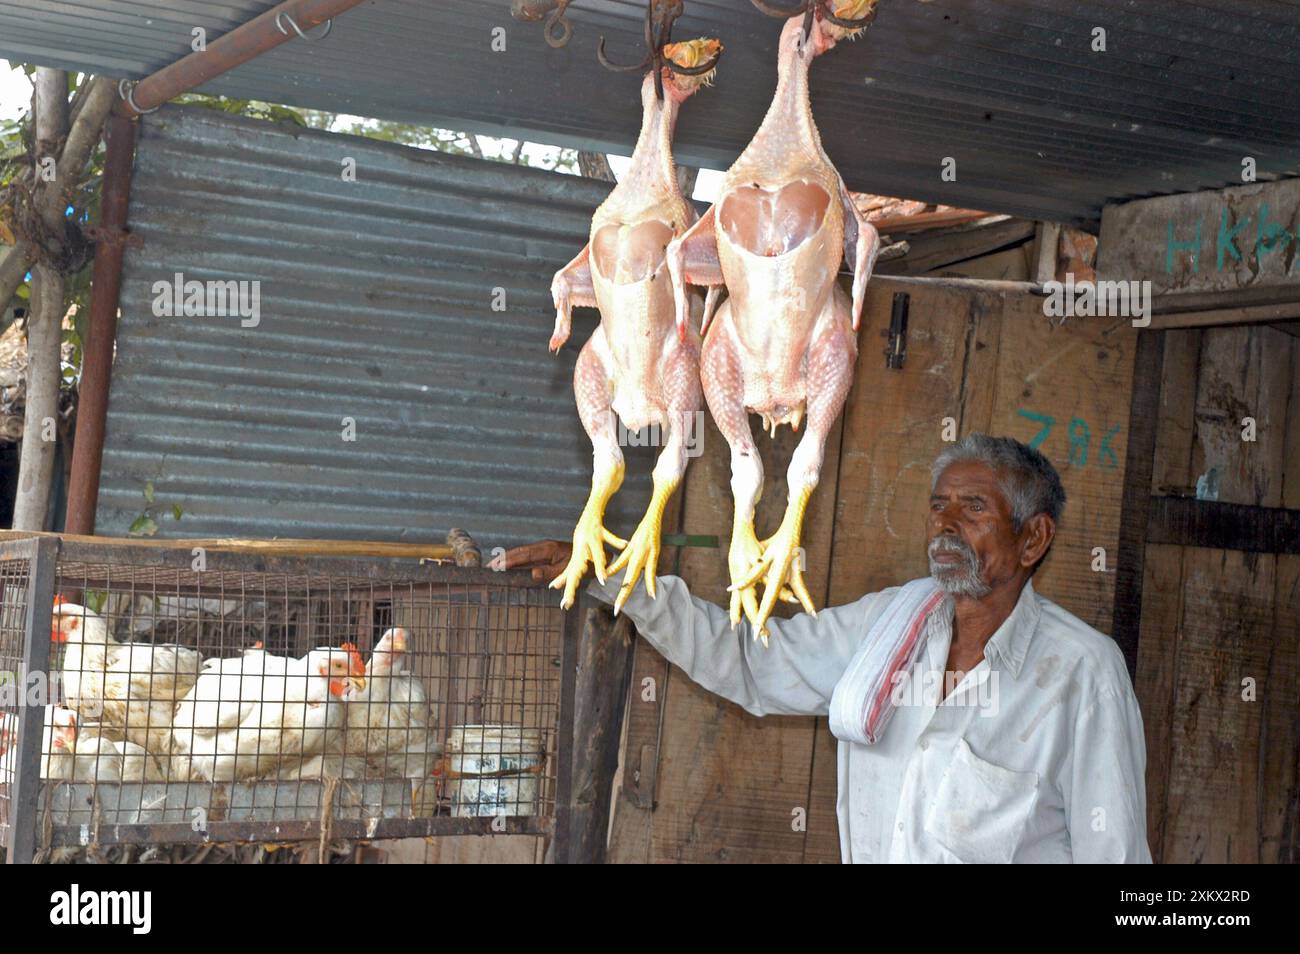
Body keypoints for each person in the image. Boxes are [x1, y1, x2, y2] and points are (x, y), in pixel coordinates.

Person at [498, 434, 1151, 863]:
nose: (945, 525)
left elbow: (1115, 854)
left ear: (1034, 539)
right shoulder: (890, 629)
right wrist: (619, 581)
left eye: (972, 508)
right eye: (938, 507)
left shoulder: (1082, 673)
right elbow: (755, 660)